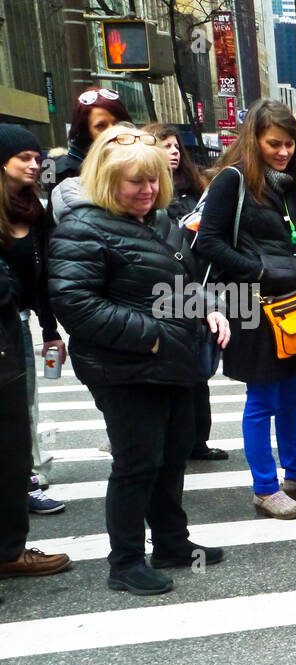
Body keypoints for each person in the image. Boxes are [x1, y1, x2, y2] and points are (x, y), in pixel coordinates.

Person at [48, 126, 229, 595]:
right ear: (110, 181)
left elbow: (184, 282)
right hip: (124, 368)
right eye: (136, 182)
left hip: (174, 361)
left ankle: (171, 542)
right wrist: (152, 339)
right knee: (137, 462)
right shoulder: (80, 228)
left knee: (171, 457)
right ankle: (124, 561)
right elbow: (76, 304)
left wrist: (207, 308)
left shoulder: (161, 221)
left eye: (153, 181)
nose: (148, 190)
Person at [194, 99, 296, 519]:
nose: (284, 152)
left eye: (290, 145)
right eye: (274, 143)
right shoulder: (231, 182)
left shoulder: (288, 183)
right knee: (263, 398)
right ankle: (264, 487)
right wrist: (257, 269)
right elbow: (208, 243)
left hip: (294, 303)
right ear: (253, 140)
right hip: (252, 306)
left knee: (294, 392)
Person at [143, 122, 228, 465]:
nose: (174, 151)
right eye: (165, 145)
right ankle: (173, 440)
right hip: (162, 294)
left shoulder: (196, 188)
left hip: (199, 285)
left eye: (176, 146)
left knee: (199, 369)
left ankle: (198, 440)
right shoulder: (148, 202)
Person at [0, 124, 66, 515]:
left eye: (37, 158)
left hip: (17, 323)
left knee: (20, 406)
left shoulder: (36, 210)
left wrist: (50, 329)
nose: (34, 164)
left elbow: (41, 277)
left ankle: (23, 485)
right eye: (24, 157)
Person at [0, 242, 71, 592]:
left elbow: (35, 281)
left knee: (15, 437)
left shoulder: (29, 214)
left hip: (11, 332)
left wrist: (48, 329)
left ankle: (9, 551)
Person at [54, 87, 132, 184]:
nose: (112, 132)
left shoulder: (141, 162)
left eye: (117, 123)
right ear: (86, 132)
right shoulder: (66, 173)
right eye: (101, 126)